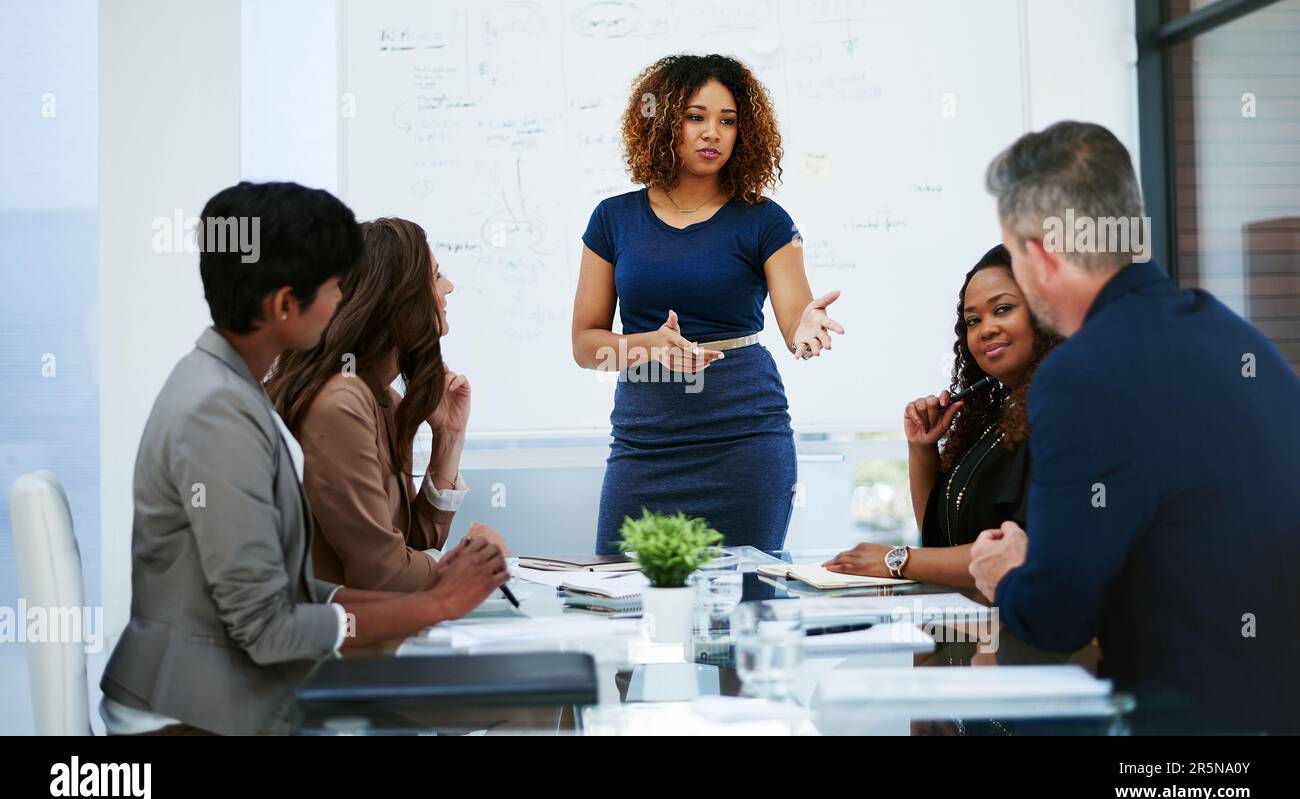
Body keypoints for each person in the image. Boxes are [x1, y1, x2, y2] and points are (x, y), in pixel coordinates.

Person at [100, 183, 507, 736]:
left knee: (513, 695)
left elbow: (288, 594)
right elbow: (269, 627)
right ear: (286, 304)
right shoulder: (218, 413)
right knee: (508, 700)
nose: (346, 299)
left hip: (222, 690)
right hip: (188, 713)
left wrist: (441, 591)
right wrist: (439, 602)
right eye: (335, 285)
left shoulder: (230, 391)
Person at [968, 121, 1300, 732]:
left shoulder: (1080, 374)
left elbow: (1055, 615)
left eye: (1014, 254)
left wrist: (1007, 574)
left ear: (1041, 254)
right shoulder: (1235, 336)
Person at [572, 53, 843, 554]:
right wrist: (649, 346)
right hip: (644, 444)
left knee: (744, 608)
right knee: (625, 597)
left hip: (745, 440)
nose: (712, 133)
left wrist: (806, 326)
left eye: (728, 121)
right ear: (663, 123)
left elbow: (794, 319)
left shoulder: (765, 220)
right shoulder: (612, 220)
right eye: (696, 117)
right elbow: (587, 346)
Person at [267, 217, 509, 591]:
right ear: (399, 297)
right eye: (436, 275)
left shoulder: (383, 400)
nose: (449, 287)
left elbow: (412, 544)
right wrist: (467, 563)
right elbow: (385, 573)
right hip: (336, 642)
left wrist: (449, 437)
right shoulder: (340, 404)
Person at [823, 245, 1061, 589]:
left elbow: (1018, 555)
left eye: (1003, 309)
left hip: (1014, 632)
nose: (986, 329)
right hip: (963, 624)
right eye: (973, 321)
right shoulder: (998, 418)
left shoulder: (1061, 413)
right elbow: (939, 537)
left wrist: (897, 560)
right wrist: (921, 448)